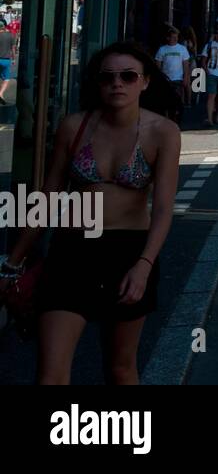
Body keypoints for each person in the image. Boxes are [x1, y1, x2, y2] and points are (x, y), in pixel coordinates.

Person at [0, 42, 180, 383]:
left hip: (128, 253)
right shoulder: (74, 126)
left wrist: (144, 266)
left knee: (120, 368)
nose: (118, 83)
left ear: (144, 82)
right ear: (97, 83)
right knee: (50, 375)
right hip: (72, 252)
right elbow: (49, 196)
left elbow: (164, 208)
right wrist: (14, 261)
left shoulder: (163, 133)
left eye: (128, 76)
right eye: (108, 77)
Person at [154, 26, 190, 112]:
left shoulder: (182, 49)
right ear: (168, 38)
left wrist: (186, 78)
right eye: (173, 37)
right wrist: (159, 78)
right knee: (166, 99)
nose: (175, 39)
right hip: (166, 79)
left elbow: (186, 65)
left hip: (178, 78)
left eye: (176, 37)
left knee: (178, 99)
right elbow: (157, 65)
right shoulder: (162, 49)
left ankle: (178, 115)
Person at [0, 15, 16, 103]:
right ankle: (1, 93)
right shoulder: (10, 36)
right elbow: (13, 49)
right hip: (6, 60)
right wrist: (13, 59)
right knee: (6, 79)